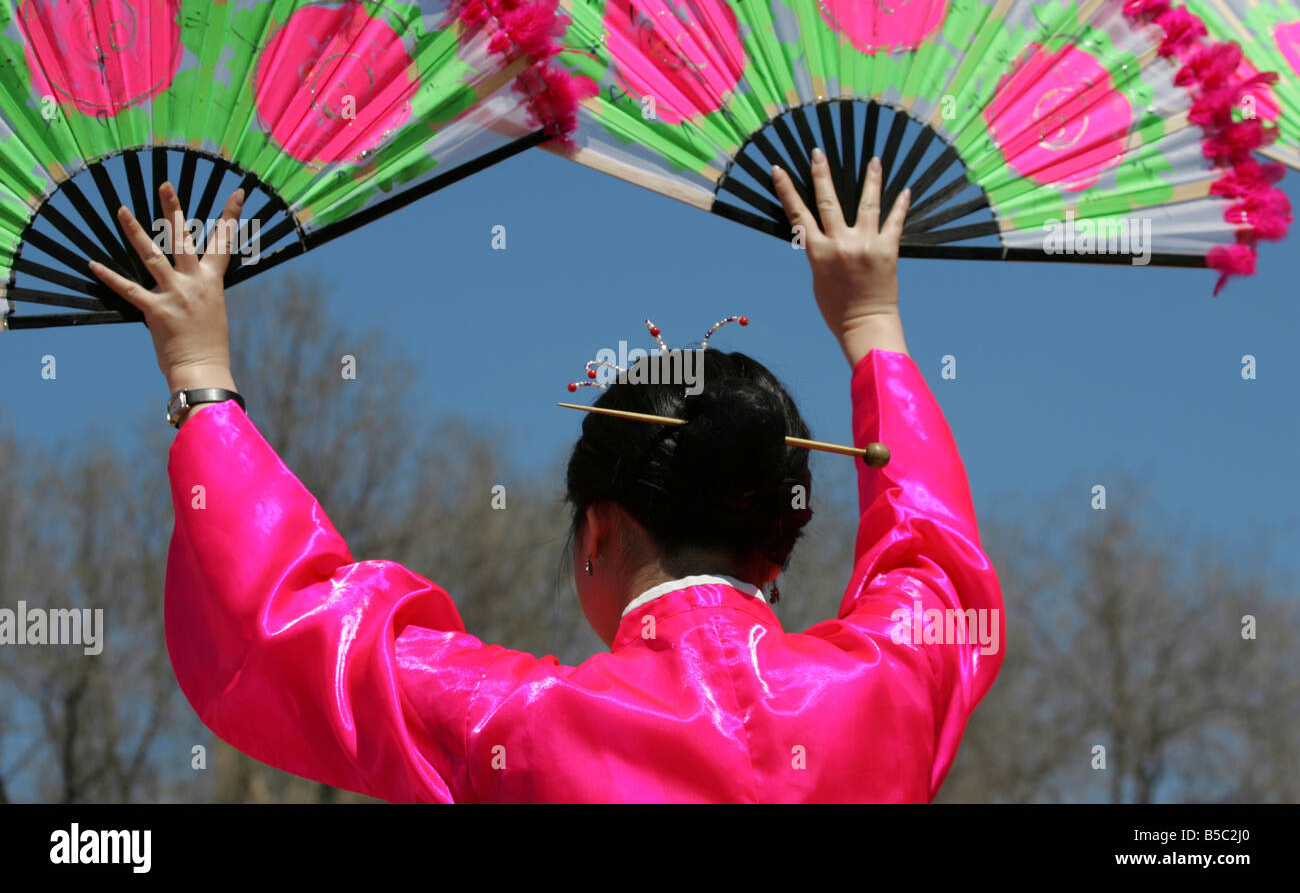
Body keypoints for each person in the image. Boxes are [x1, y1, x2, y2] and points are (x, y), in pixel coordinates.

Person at [90, 148, 1004, 802]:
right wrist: (873, 321)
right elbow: (936, 561)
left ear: (599, 530)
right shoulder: (887, 687)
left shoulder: (524, 725)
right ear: (776, 540)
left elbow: (292, 625)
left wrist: (201, 382)